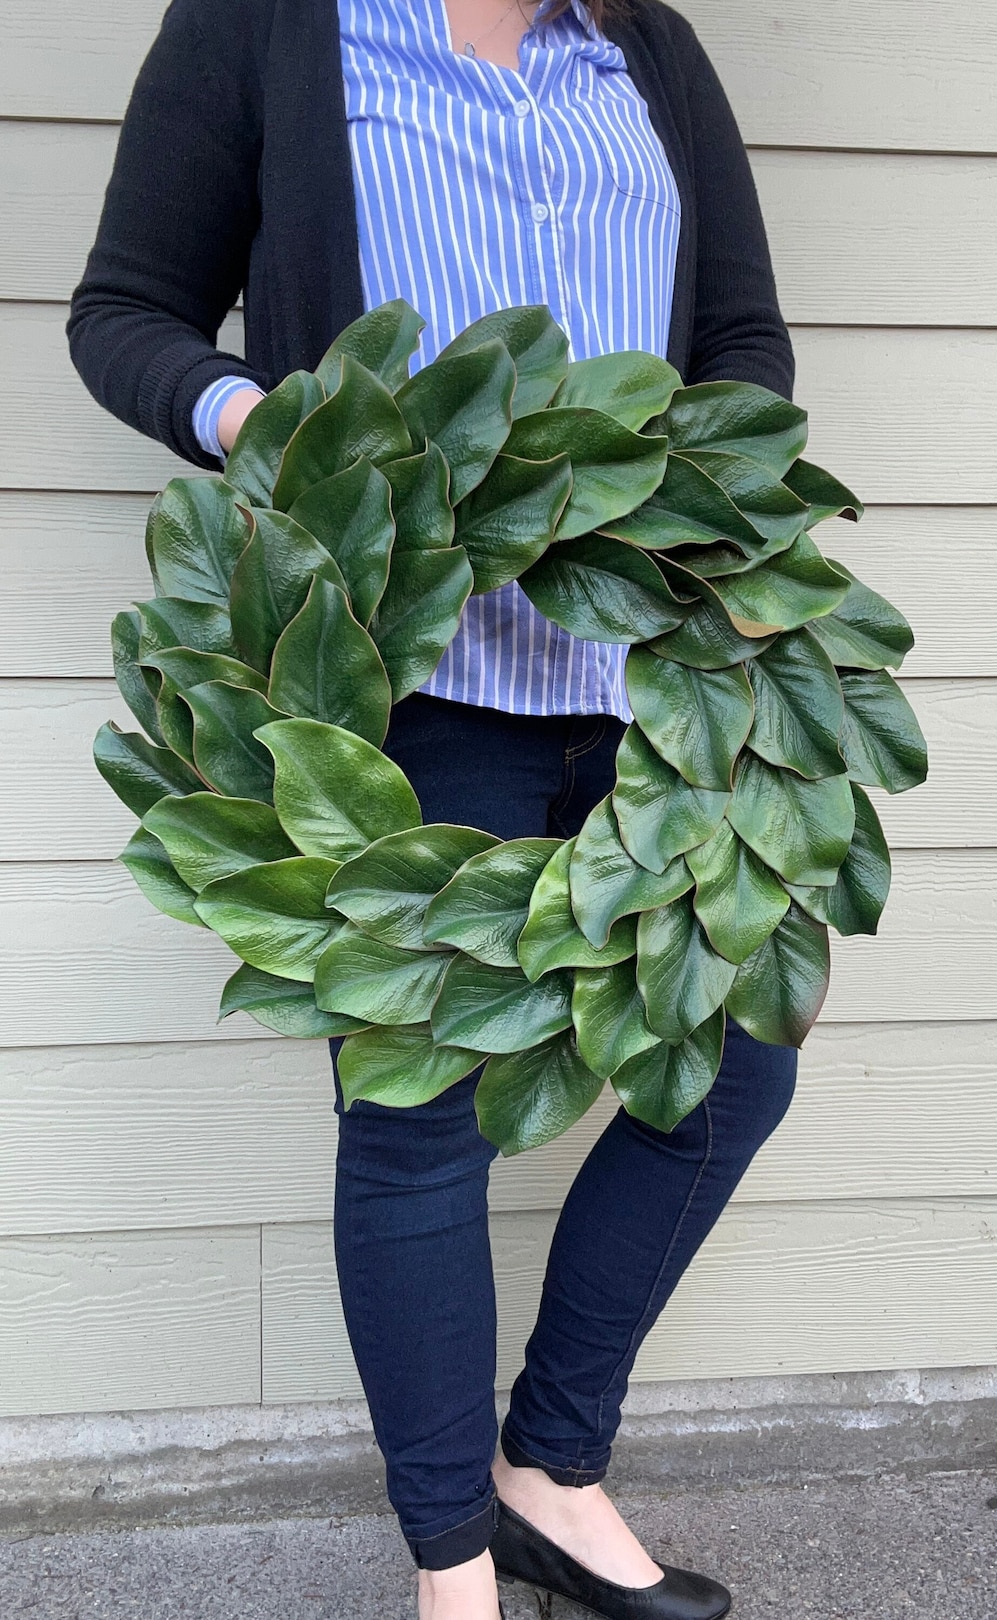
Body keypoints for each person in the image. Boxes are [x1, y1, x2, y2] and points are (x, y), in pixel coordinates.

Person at [68, 2, 800, 1616]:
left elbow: (744, 340)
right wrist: (270, 424)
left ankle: (551, 1465)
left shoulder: (645, 48)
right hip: (412, 703)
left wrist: (698, 494)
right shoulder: (266, 28)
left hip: (652, 692)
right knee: (420, 1134)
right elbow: (126, 313)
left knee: (730, 1075)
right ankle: (451, 1571)